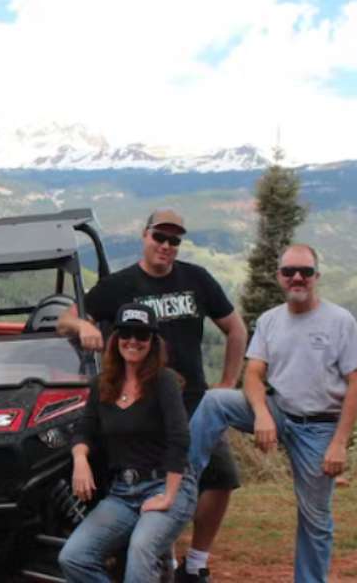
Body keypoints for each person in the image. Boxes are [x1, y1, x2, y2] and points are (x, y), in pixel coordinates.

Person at [57, 208, 247, 582]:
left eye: (174, 240)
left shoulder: (197, 278)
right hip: (140, 408)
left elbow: (236, 329)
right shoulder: (119, 285)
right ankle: (165, 559)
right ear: (144, 236)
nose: (166, 245)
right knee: (156, 482)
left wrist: (226, 383)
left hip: (194, 403)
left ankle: (195, 562)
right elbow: (65, 320)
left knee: (219, 478)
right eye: (159, 237)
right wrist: (82, 323)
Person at [180, 244, 357, 583]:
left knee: (315, 520)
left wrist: (340, 443)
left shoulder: (340, 321)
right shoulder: (270, 320)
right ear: (279, 277)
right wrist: (262, 414)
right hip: (279, 409)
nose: (297, 278)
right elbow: (253, 374)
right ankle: (182, 481)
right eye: (289, 272)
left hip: (319, 427)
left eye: (306, 272)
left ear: (317, 277)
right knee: (216, 401)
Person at [58, 303, 192, 583]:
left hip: (165, 485)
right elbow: (84, 430)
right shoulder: (102, 384)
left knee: (140, 552)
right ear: (115, 338)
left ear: (152, 343)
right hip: (122, 493)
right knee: (74, 557)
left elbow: (179, 438)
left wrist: (168, 496)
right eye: (126, 333)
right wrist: (80, 459)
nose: (133, 341)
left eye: (142, 335)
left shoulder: (164, 381)